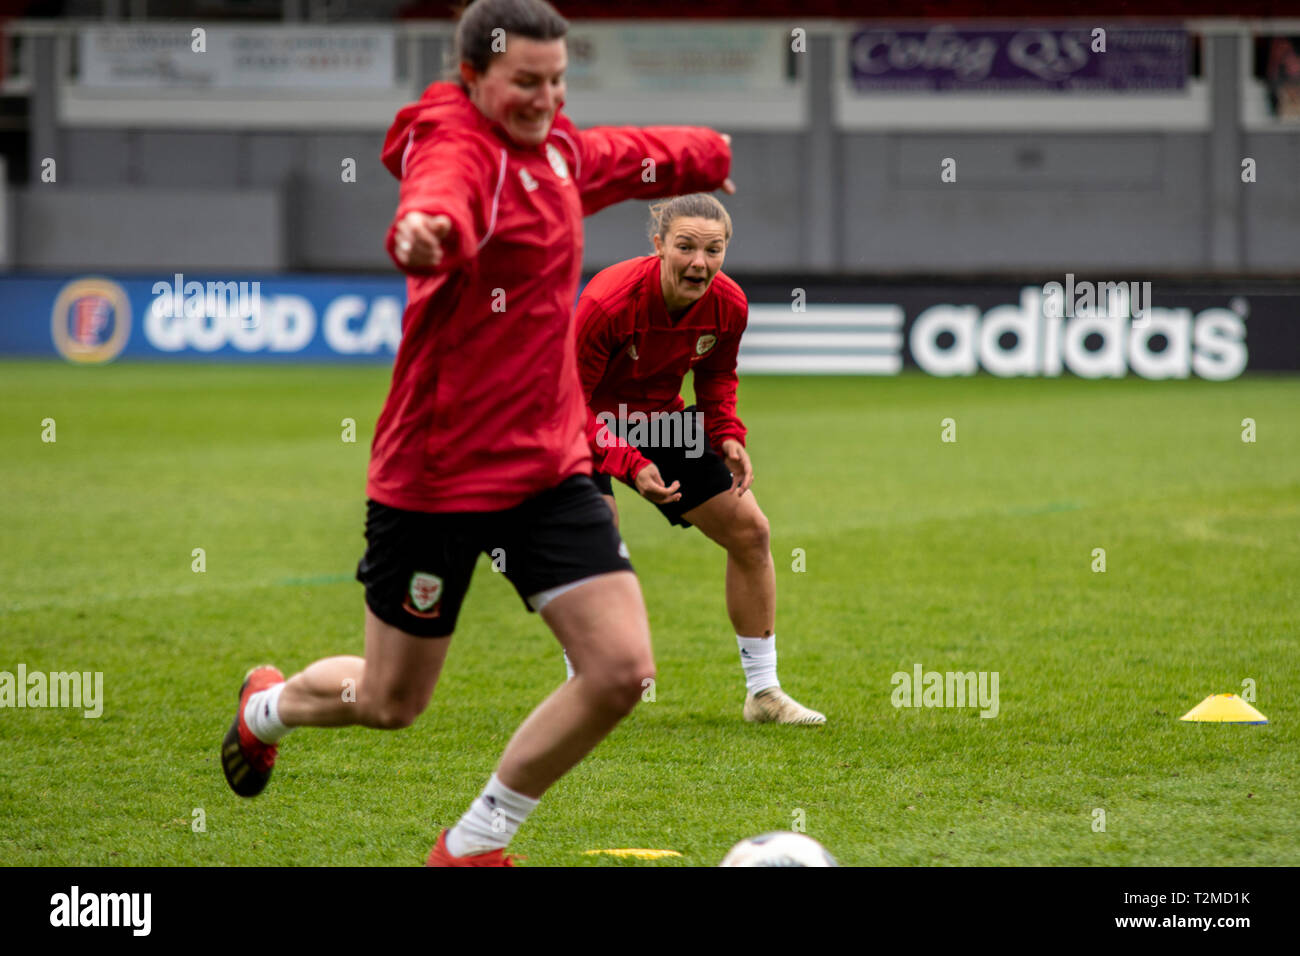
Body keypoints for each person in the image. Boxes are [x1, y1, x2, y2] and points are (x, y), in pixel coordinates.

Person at [219, 0, 734, 866]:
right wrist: (427, 236)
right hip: (439, 470)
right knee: (392, 701)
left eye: (558, 80)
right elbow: (439, 199)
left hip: (547, 467)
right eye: (526, 82)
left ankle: (474, 844)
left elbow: (625, 154)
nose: (545, 98)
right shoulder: (457, 149)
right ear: (475, 76)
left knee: (618, 671)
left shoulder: (559, 150)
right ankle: (265, 708)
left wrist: (708, 153)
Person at [575, 194, 826, 726]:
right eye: (686, 247)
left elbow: (715, 376)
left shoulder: (729, 303)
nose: (699, 262)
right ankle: (584, 687)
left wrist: (727, 433)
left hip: (661, 420)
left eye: (713, 250)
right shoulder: (607, 303)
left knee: (750, 531)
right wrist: (627, 461)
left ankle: (763, 694)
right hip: (581, 419)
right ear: (659, 244)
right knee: (594, 537)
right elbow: (568, 403)